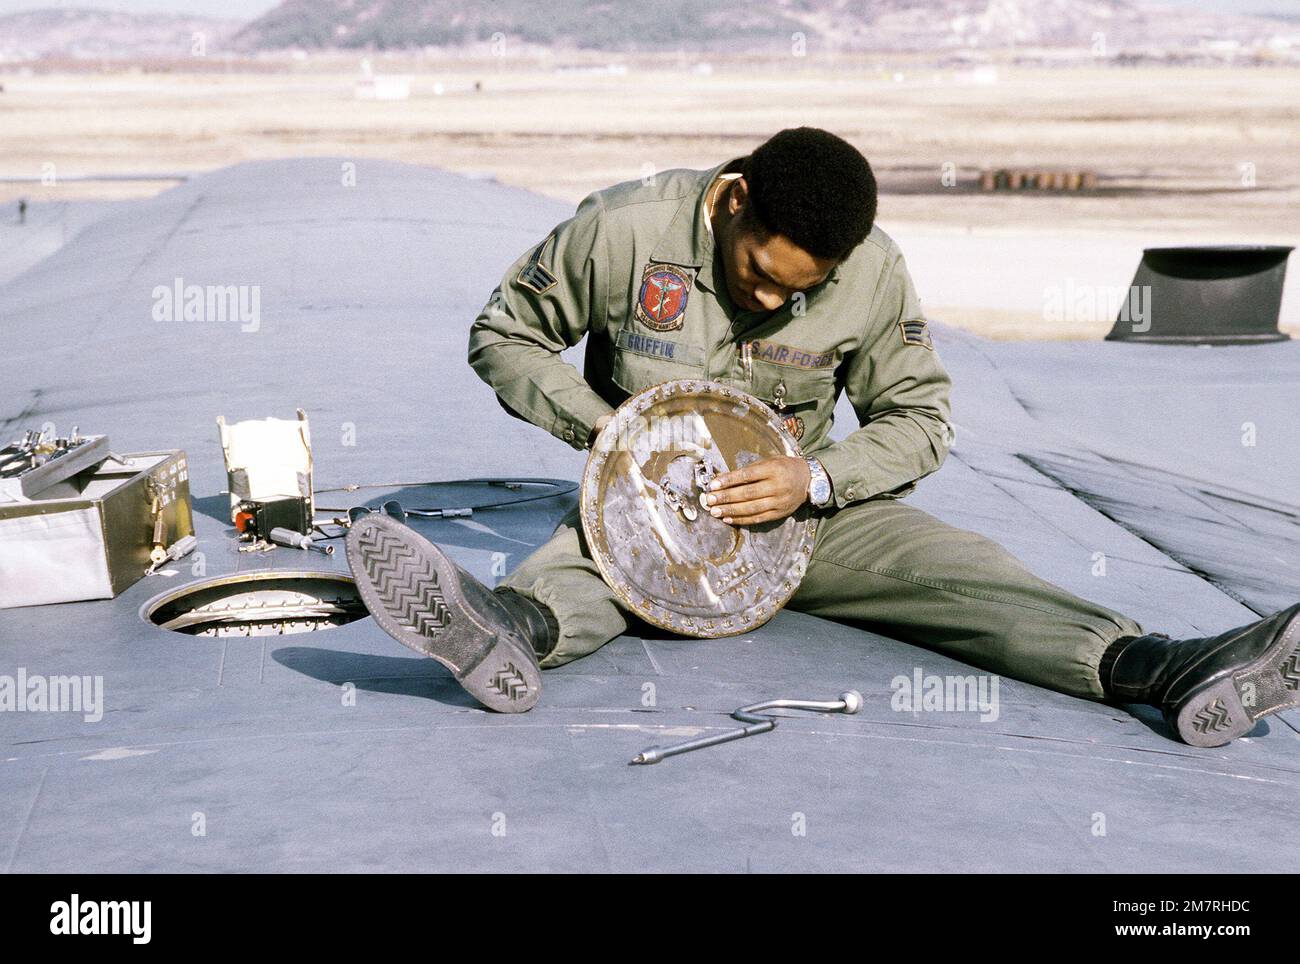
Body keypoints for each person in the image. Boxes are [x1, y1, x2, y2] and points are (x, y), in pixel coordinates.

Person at [345, 127, 1299, 748]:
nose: (773, 301)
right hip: (643, 501)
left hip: (797, 520)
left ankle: (1162, 669)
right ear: (730, 202)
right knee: (583, 560)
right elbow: (502, 334)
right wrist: (611, 433)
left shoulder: (872, 273)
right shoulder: (622, 232)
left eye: (798, 293)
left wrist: (815, 480)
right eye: (760, 275)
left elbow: (921, 420)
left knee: (967, 570)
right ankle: (508, 631)